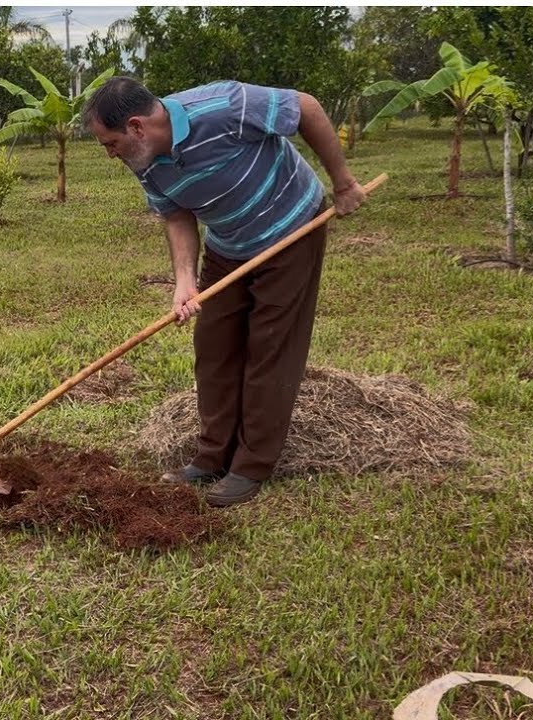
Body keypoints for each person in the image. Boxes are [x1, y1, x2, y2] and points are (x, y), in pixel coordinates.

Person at [82, 77, 367, 507]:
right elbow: (176, 215)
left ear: (138, 126)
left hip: (290, 230)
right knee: (214, 345)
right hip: (228, 245)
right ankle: (212, 456)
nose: (110, 154)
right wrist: (184, 281)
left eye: (110, 142)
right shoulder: (145, 162)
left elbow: (305, 106)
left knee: (270, 347)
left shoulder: (225, 106)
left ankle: (250, 466)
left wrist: (343, 182)